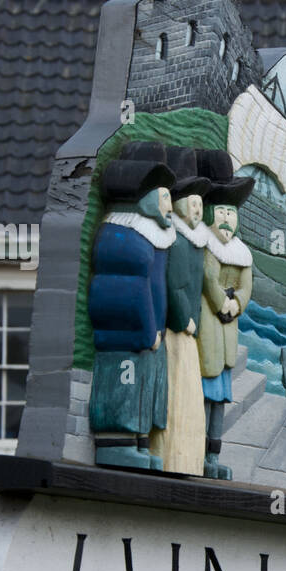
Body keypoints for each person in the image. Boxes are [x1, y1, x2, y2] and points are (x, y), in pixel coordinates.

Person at [87, 143, 175, 471]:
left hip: (149, 334)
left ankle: (139, 440)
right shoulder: (125, 234)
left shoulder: (149, 236)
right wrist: (144, 331)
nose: (171, 205)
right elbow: (128, 290)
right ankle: (115, 443)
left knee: (144, 389)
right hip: (128, 337)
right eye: (165, 197)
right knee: (124, 385)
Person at [148, 146, 212, 476]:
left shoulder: (194, 241)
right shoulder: (173, 238)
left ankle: (189, 458)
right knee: (176, 393)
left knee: (190, 398)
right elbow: (173, 284)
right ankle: (173, 457)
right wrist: (183, 318)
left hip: (190, 330)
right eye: (193, 202)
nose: (198, 209)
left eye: (201, 204)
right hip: (177, 332)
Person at [195, 149, 255, 480]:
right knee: (204, 391)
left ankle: (213, 453)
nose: (227, 219)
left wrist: (238, 303)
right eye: (221, 211)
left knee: (220, 396)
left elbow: (247, 285)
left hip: (227, 332)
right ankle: (196, 447)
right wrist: (221, 302)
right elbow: (206, 276)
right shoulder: (205, 244)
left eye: (231, 213)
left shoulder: (242, 253)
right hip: (208, 327)